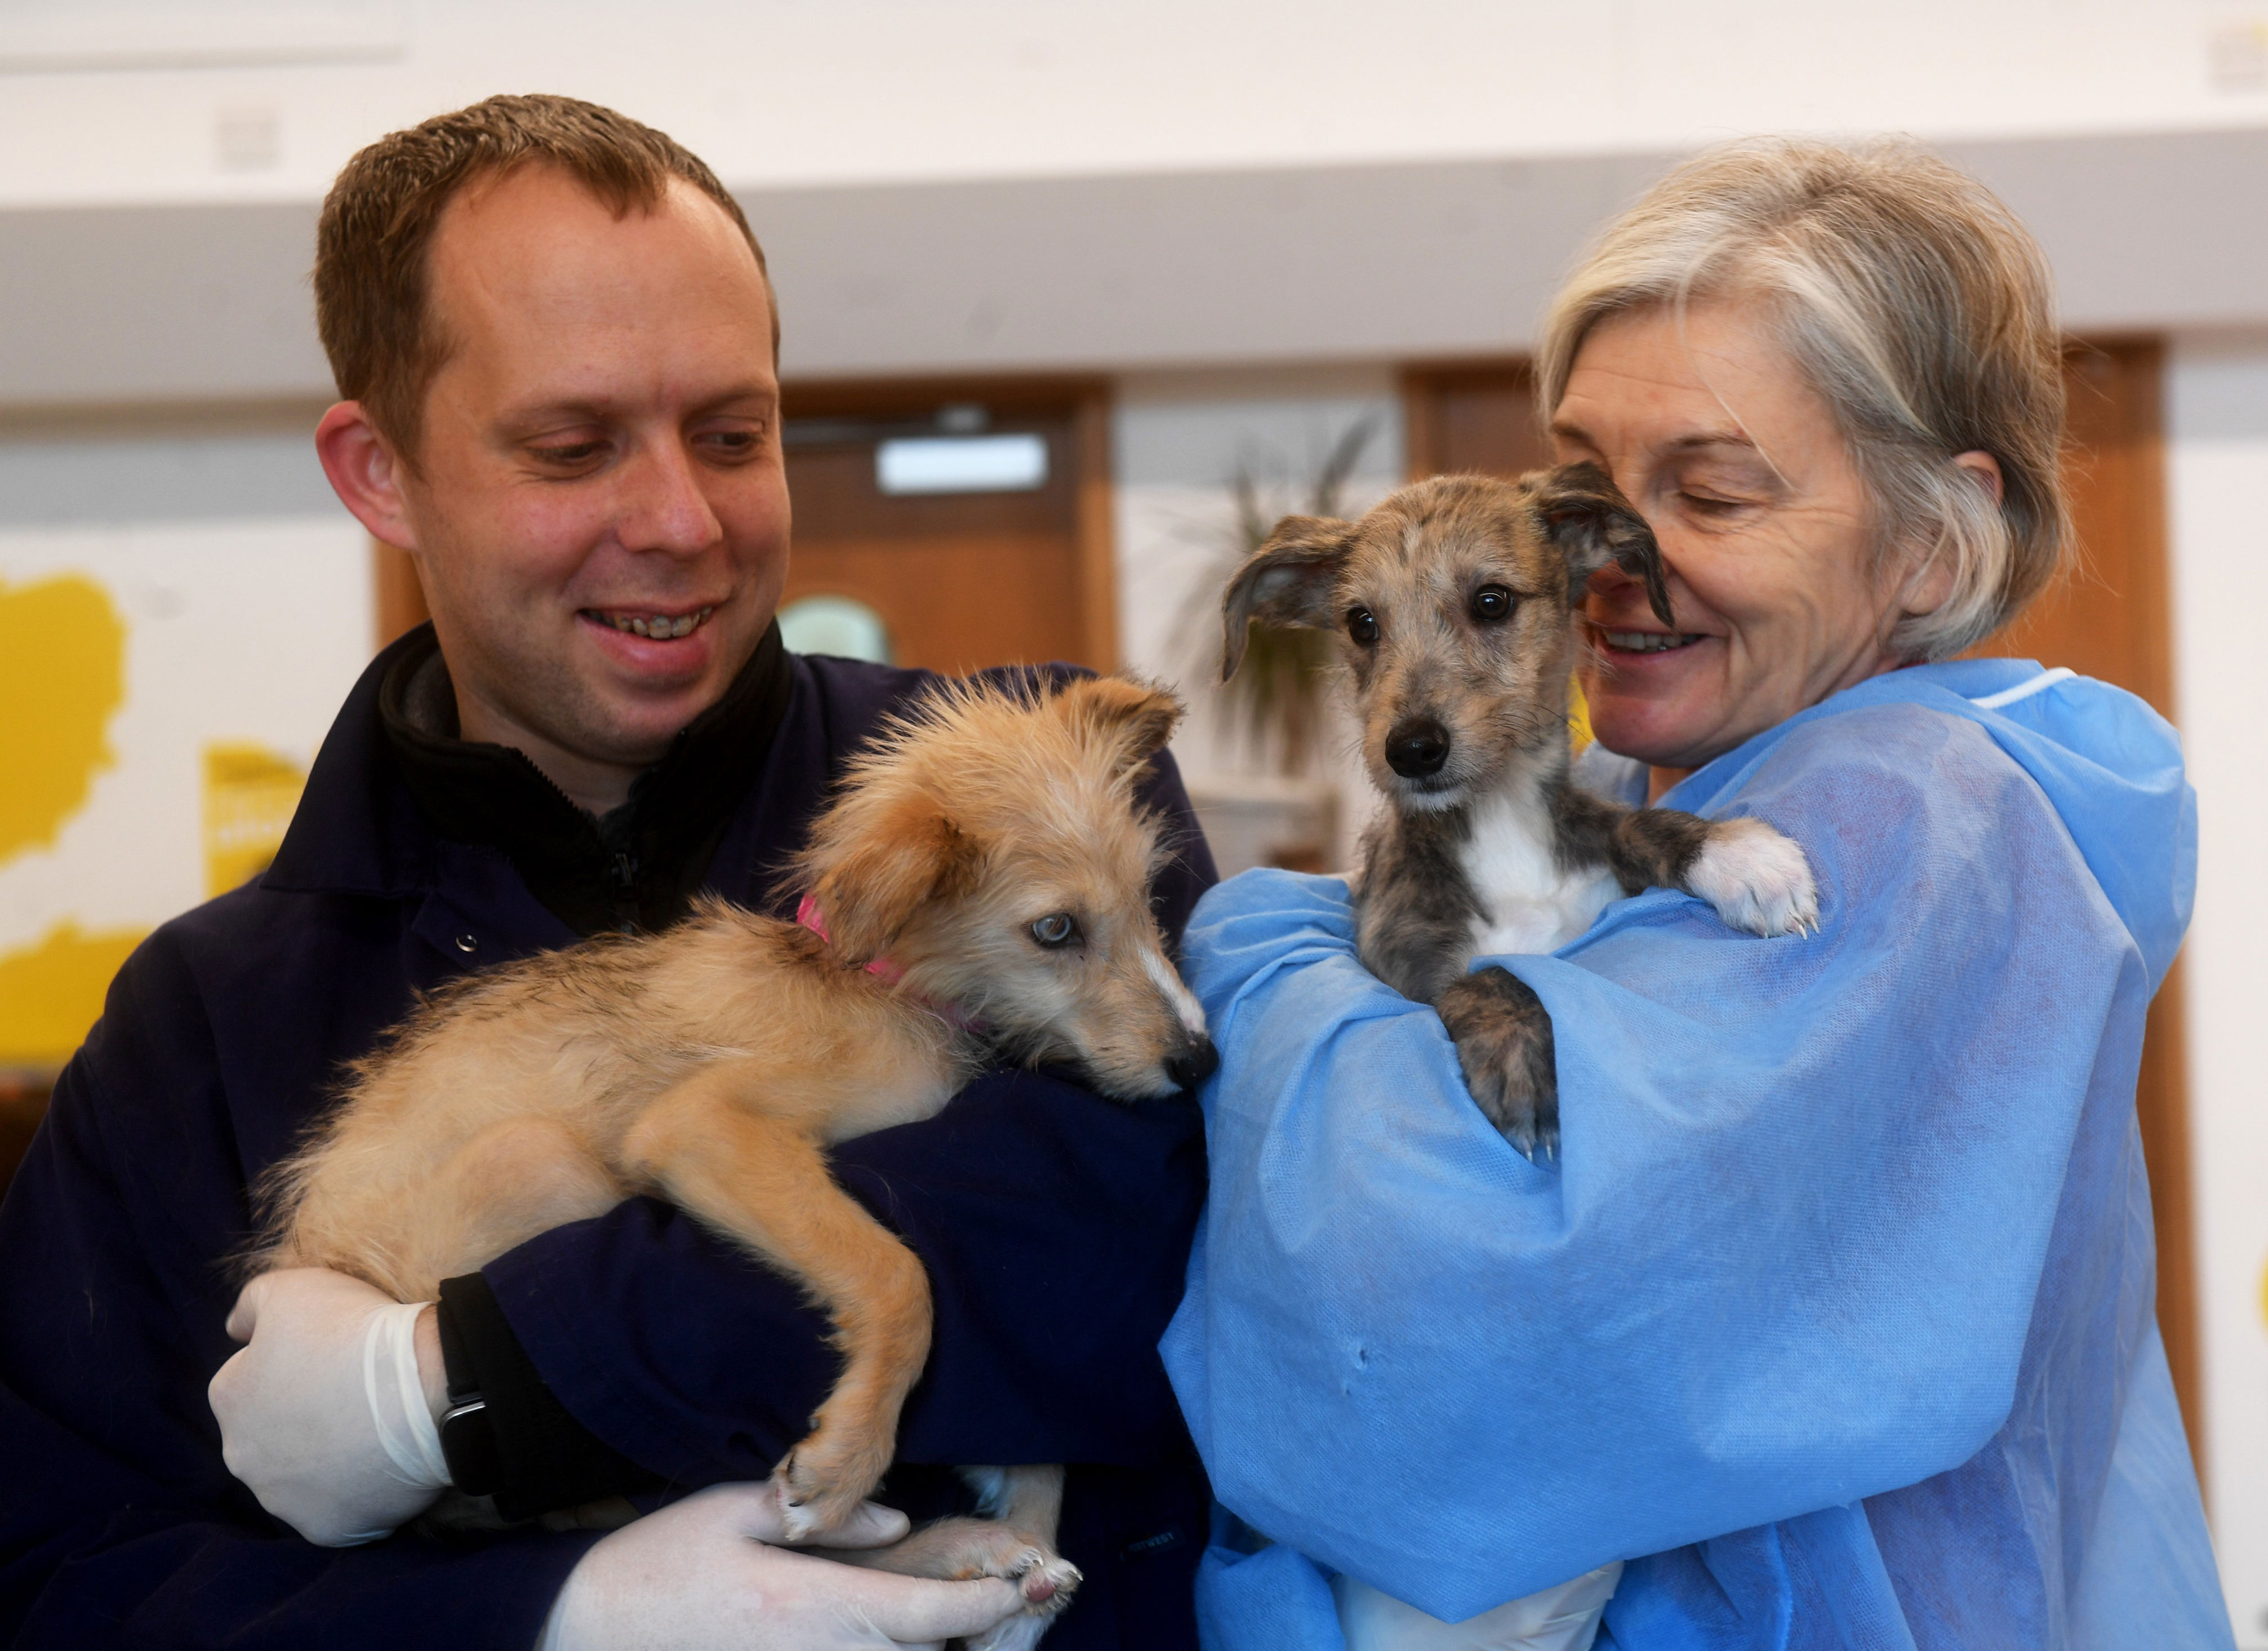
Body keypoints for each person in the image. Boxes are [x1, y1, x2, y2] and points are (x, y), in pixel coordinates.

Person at [0, 95, 1217, 1650]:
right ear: (381, 474)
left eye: (733, 433)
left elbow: (1135, 1219)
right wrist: (546, 1610)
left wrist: (474, 1377)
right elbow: (72, 1582)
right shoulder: (210, 1021)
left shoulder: (1038, 795)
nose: (679, 521)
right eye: (571, 448)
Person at [1162, 140, 2236, 1648]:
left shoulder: (1910, 815)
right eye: (1584, 487)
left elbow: (1417, 1266)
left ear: (1928, 545)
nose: (1603, 559)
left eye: (1712, 493)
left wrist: (1262, 953)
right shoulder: (1660, 799)